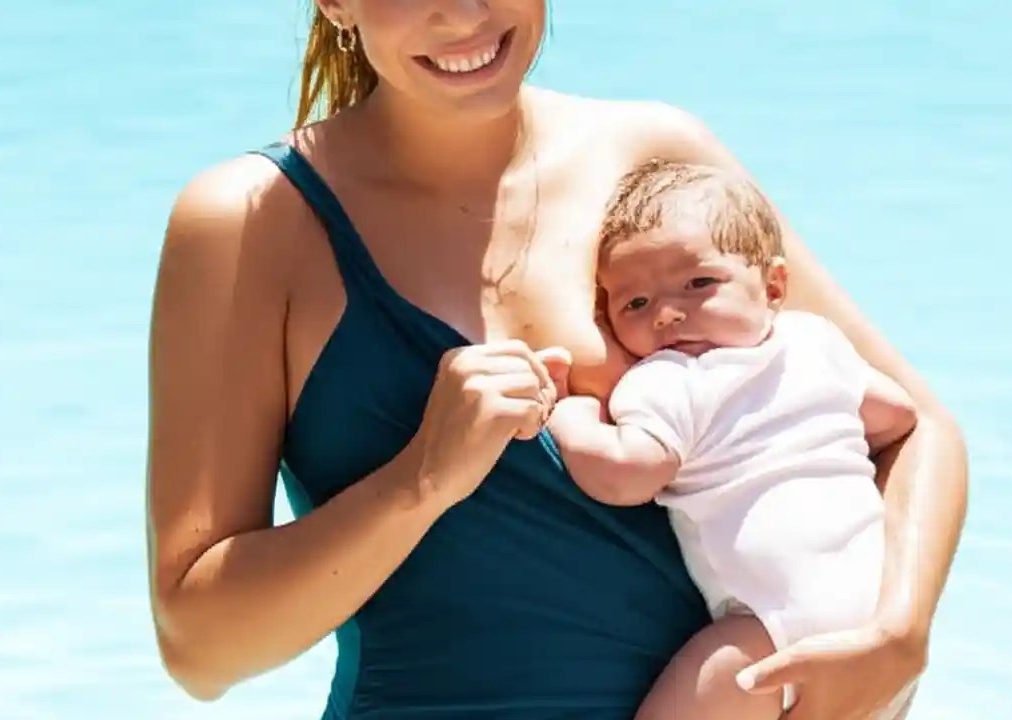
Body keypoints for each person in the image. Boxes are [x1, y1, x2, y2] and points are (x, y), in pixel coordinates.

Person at [144, 1, 968, 718]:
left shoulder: (651, 155)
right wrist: (423, 480)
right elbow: (201, 652)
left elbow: (911, 424)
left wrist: (899, 634)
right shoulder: (251, 221)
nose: (463, 15)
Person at [547, 158, 920, 719]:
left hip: (769, 633)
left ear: (773, 285)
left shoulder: (670, 379)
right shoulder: (815, 342)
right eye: (636, 303)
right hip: (874, 620)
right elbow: (896, 415)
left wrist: (570, 415)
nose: (669, 315)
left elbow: (624, 474)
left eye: (699, 283)